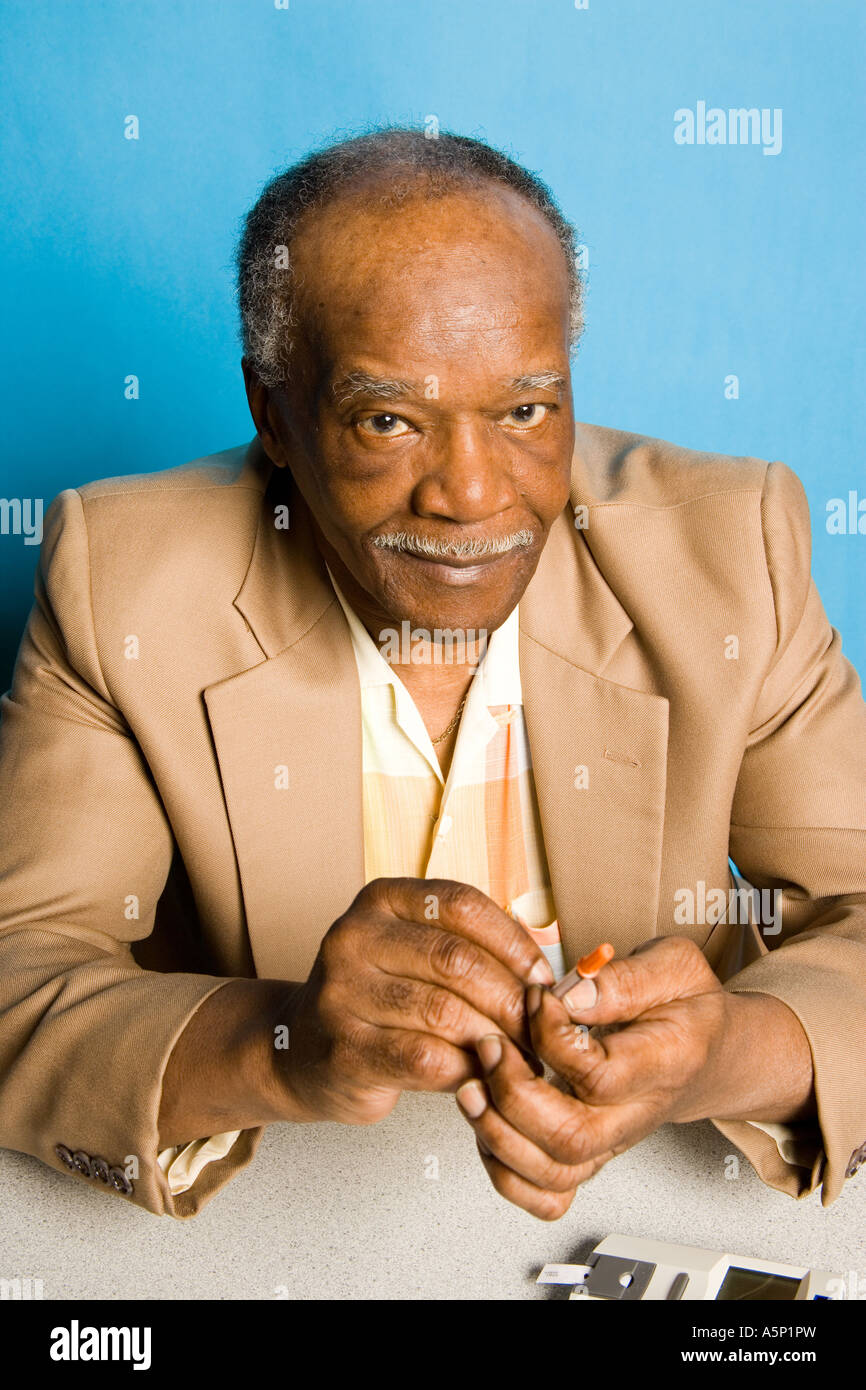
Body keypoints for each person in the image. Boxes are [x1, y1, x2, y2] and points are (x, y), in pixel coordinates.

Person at [1, 127, 865, 1222]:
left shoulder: (730, 548)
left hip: (660, 1197)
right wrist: (285, 1044)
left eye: (523, 412)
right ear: (273, 412)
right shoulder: (120, 579)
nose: (466, 494)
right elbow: (18, 976)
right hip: (277, 1222)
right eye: (387, 421)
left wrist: (721, 1054)